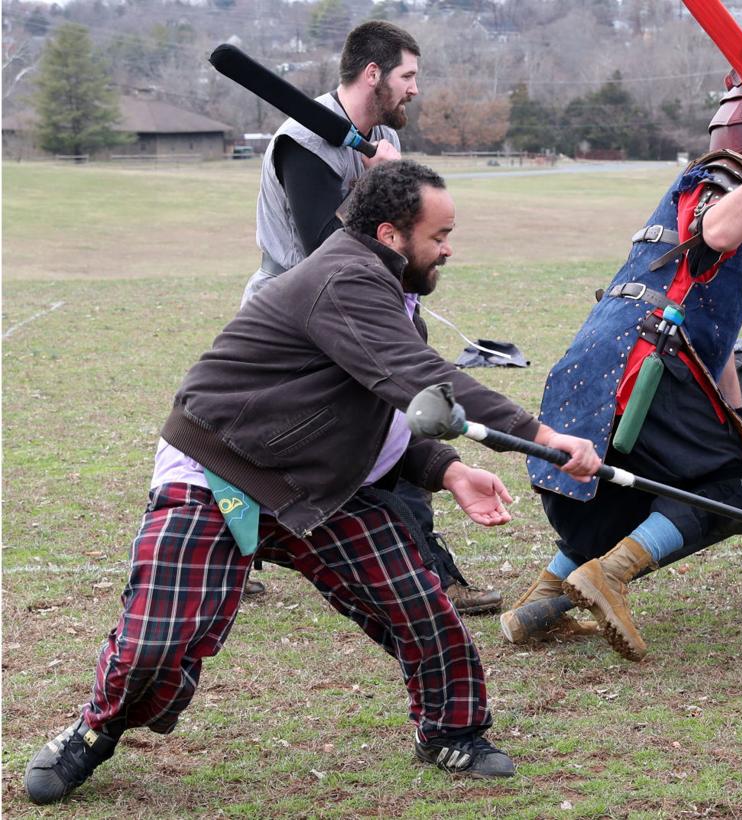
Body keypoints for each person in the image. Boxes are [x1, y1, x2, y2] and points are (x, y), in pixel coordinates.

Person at [23, 160, 602, 805]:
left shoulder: (386, 295)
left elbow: (380, 411)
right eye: (438, 236)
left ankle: (451, 732)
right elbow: (415, 376)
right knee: (159, 638)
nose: (448, 248)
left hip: (312, 487)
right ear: (390, 235)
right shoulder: (344, 280)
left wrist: (448, 469)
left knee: (419, 606)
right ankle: (92, 731)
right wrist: (543, 437)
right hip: (221, 471)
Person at [498, 75, 742, 661]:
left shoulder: (723, 187)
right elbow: (717, 231)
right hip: (645, 361)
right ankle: (611, 576)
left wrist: (738, 415)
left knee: (627, 487)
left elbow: (713, 337)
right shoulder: (725, 174)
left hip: (610, 353)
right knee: (723, 483)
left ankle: (541, 603)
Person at [239, 20, 501, 614]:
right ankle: (219, 539)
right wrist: (378, 177)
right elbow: (321, 254)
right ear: (374, 74)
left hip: (371, 309)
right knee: (263, 443)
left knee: (398, 428)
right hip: (298, 326)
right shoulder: (302, 144)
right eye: (408, 76)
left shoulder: (380, 134)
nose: (414, 89)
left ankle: (429, 571)